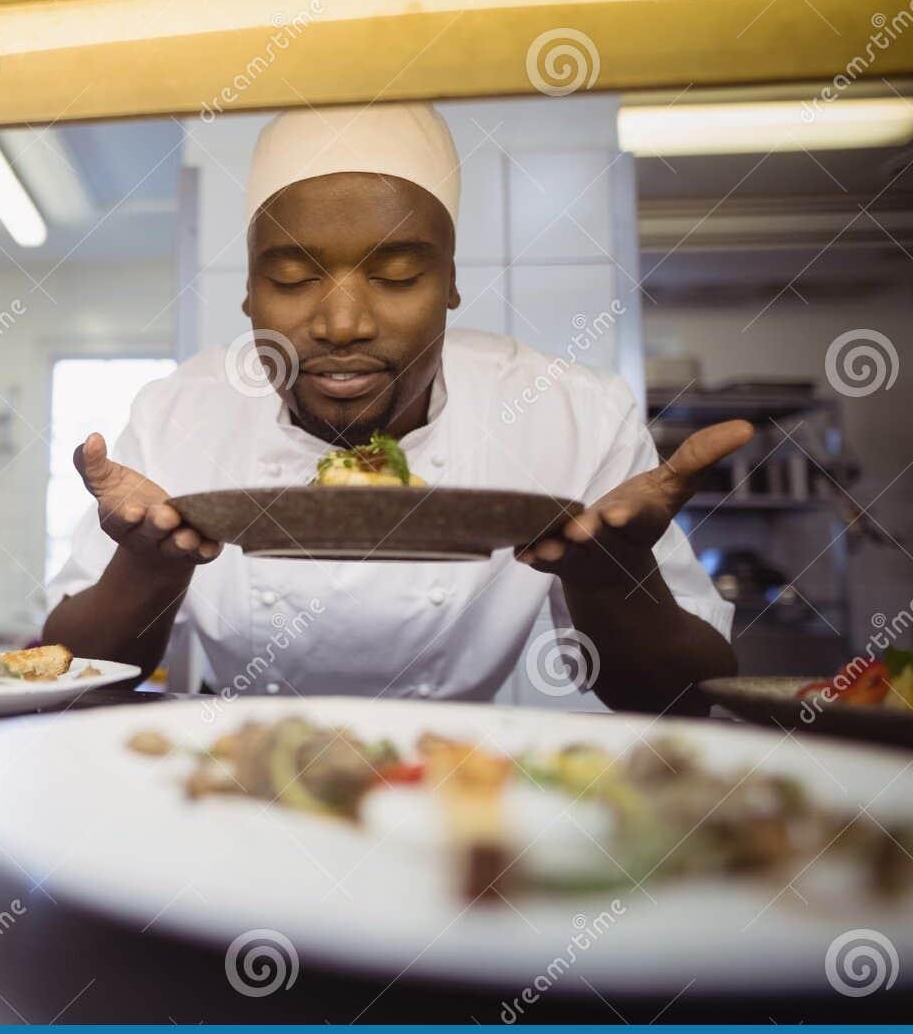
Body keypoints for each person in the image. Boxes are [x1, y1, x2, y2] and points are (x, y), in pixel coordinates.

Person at [43, 102, 749, 715]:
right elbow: (63, 676)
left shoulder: (572, 415)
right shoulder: (179, 413)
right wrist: (147, 568)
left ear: (449, 283)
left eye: (397, 275)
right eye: (291, 277)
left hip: (455, 800)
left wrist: (613, 581)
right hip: (240, 791)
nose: (342, 323)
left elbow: (683, 695)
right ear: (249, 294)